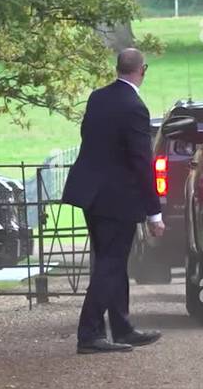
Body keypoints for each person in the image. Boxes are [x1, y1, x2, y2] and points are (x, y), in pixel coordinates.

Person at [61, 49, 165, 354]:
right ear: (142, 70)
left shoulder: (98, 97)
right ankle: (89, 332)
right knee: (111, 264)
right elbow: (141, 161)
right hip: (117, 197)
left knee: (112, 262)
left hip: (92, 193)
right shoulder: (134, 106)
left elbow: (90, 139)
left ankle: (122, 327)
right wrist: (154, 212)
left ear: (118, 68)